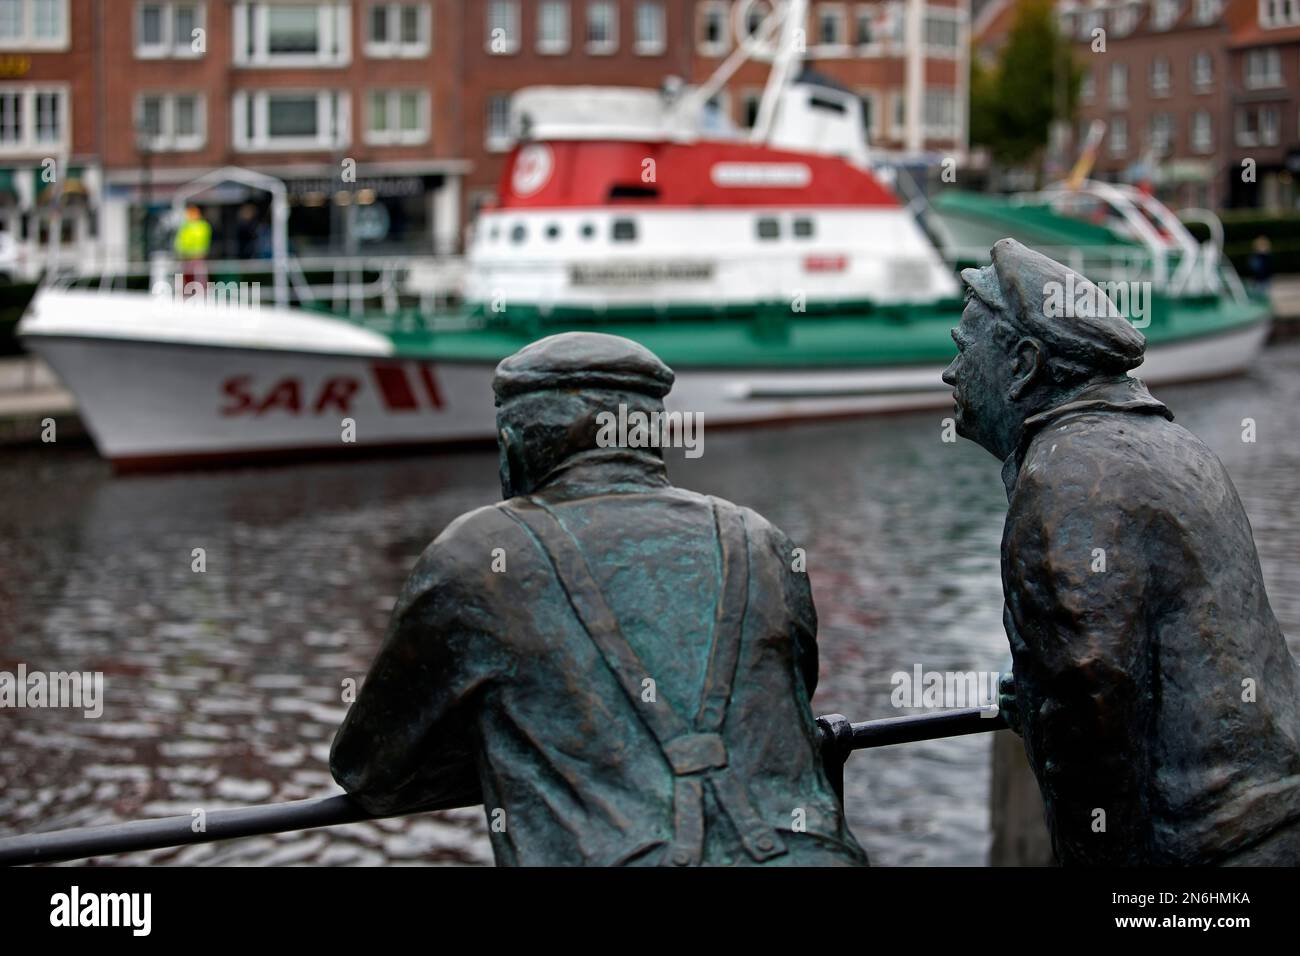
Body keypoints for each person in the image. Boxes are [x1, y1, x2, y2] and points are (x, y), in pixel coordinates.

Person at [331, 332, 867, 867]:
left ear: (514, 447)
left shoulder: (476, 554)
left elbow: (372, 771)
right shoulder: (759, 539)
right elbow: (788, 698)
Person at [943, 238, 1300, 866]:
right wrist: (1033, 690)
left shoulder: (1066, 479)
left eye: (962, 350)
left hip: (1210, 856)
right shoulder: (1168, 442)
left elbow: (1092, 706)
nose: (949, 373)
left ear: (1023, 364)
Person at [173, 204, 211, 288]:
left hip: (198, 256)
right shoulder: (185, 226)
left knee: (199, 278)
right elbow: (180, 241)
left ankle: (201, 294)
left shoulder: (203, 225)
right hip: (186, 256)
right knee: (187, 277)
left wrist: (200, 252)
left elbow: (204, 241)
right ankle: (186, 294)